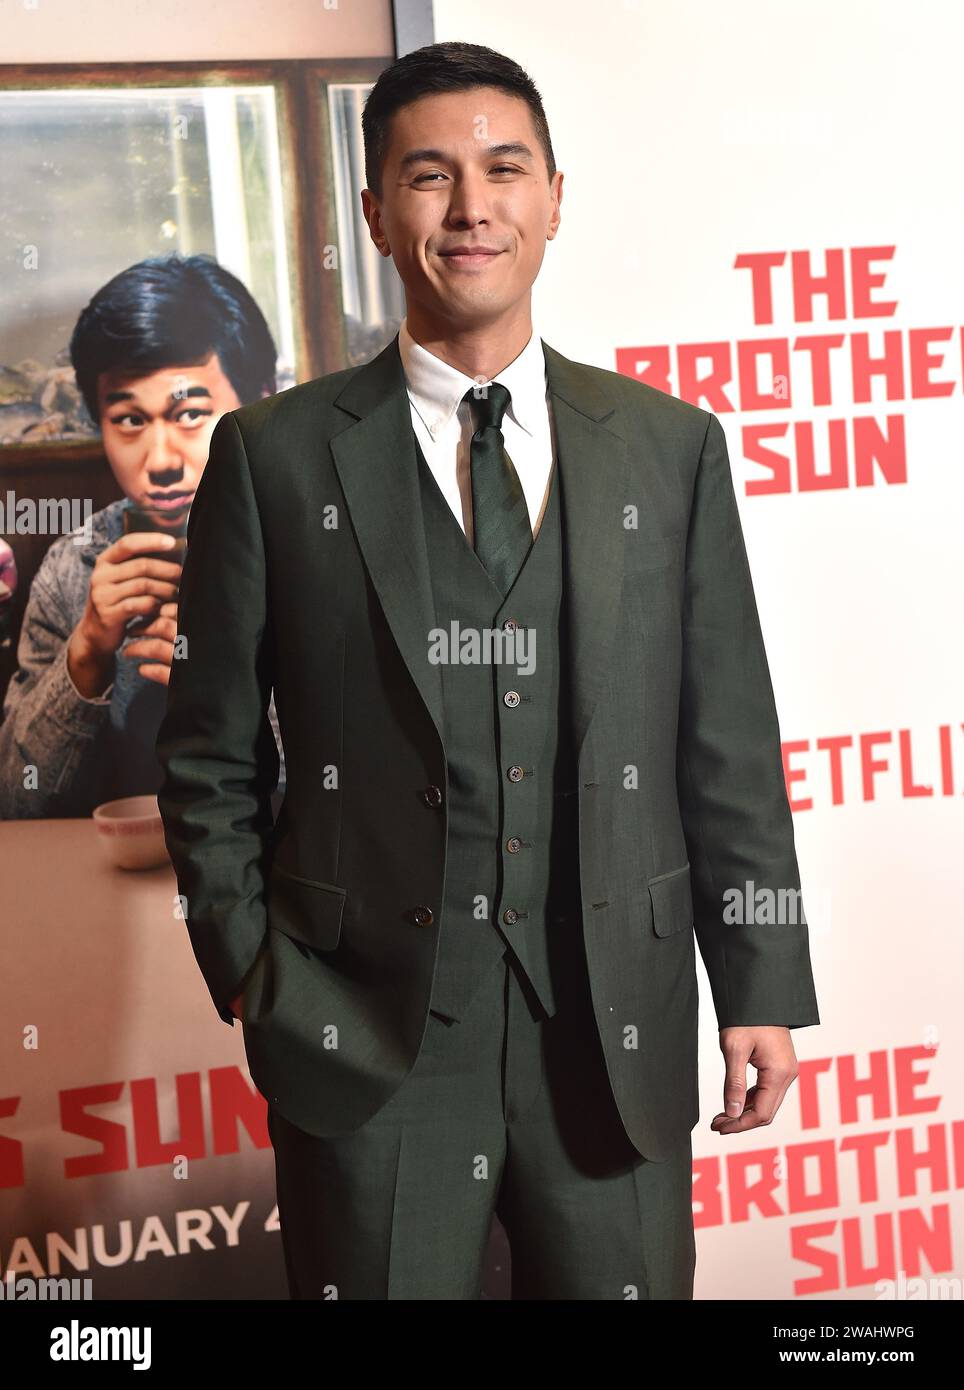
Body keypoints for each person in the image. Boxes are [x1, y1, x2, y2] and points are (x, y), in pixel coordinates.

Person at [156, 42, 820, 1300]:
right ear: (374, 214)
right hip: (364, 1036)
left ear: (555, 197)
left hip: (609, 1027)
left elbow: (723, 736)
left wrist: (760, 984)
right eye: (428, 175)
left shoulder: (666, 450)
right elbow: (206, 755)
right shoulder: (275, 458)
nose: (471, 207)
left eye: (503, 168)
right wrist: (257, 974)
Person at [0, 254, 285, 818]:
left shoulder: (322, 545)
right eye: (129, 420)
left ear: (263, 402)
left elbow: (377, 793)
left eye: (189, 415)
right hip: (103, 886)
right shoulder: (74, 568)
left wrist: (233, 687)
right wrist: (84, 656)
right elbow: (16, 803)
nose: (159, 461)